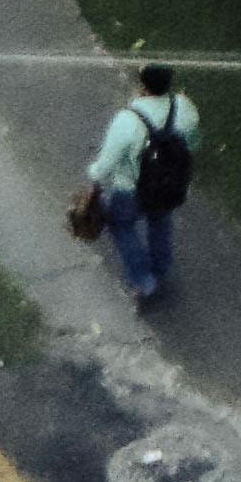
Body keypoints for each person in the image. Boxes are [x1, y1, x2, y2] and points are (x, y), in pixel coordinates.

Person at [88, 63, 200, 311]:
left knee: (121, 225)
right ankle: (160, 269)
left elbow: (106, 165)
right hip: (168, 185)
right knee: (160, 222)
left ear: (143, 86)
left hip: (131, 189)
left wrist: (94, 177)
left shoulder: (128, 120)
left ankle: (144, 281)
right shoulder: (183, 107)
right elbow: (193, 142)